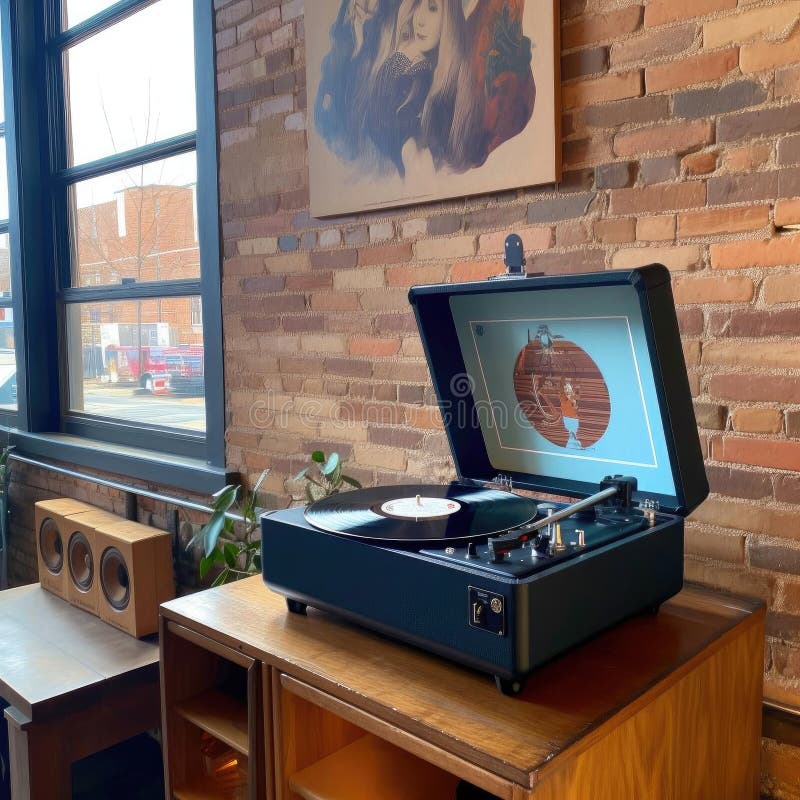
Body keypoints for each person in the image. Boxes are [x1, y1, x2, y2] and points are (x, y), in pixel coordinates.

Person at [366, 0, 484, 176]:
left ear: (450, 20)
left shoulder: (455, 83)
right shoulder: (415, 67)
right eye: (417, 4)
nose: (419, 19)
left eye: (432, 8)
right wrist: (403, 54)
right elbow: (375, 115)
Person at [315, 0, 399, 165]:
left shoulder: (388, 31)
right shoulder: (343, 34)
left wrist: (362, 49)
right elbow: (327, 108)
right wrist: (358, 48)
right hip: (343, 141)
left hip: (371, 146)